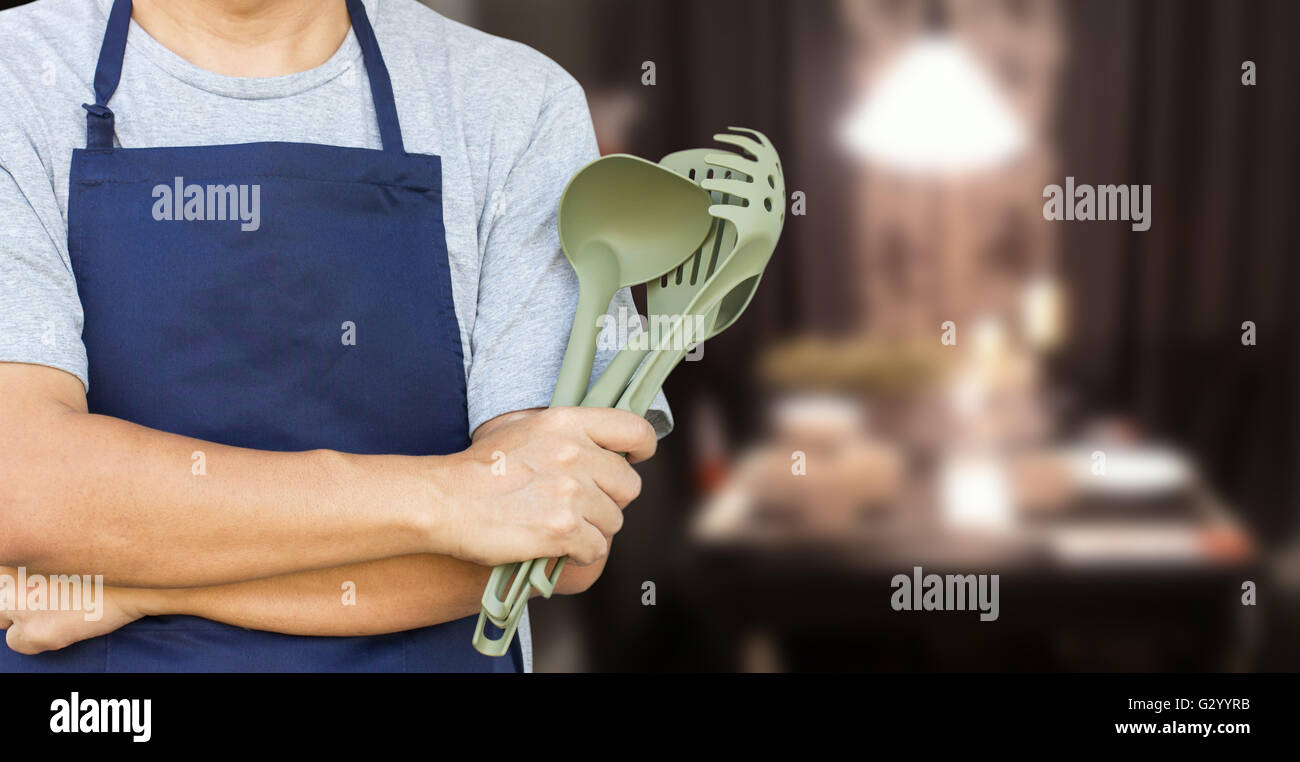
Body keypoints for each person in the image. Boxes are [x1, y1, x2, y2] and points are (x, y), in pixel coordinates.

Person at [0, 0, 669, 672]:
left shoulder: (513, 102)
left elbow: (552, 538)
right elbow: (25, 489)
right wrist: (451, 498)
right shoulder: (18, 72)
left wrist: (135, 584)